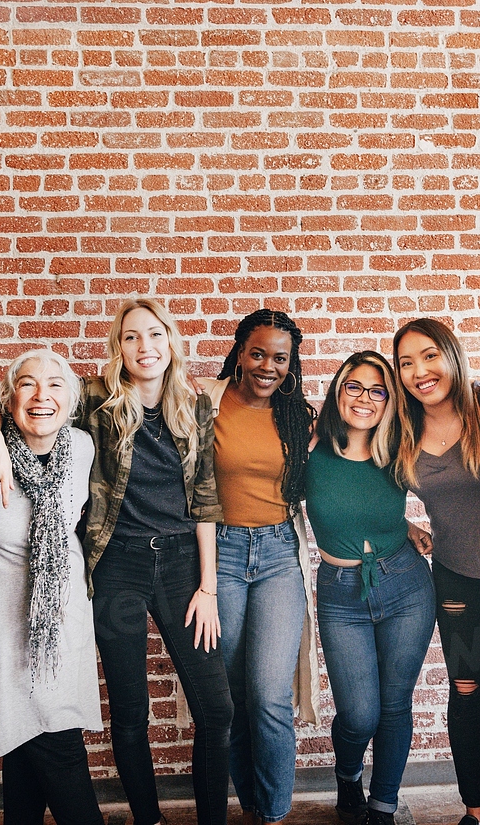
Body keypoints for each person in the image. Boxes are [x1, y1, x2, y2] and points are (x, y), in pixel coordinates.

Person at [0, 296, 234, 825]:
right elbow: (19, 403)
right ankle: (150, 818)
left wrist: (207, 587)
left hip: (184, 563)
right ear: (118, 346)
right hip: (118, 564)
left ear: (171, 342)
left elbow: (206, 495)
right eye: (132, 336)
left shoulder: (197, 404)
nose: (145, 346)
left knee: (217, 708)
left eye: (156, 334)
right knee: (130, 712)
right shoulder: (93, 398)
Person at [0, 349, 104, 825]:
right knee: (48, 746)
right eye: (27, 384)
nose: (42, 396)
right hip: (0, 626)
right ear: (7, 396)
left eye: (56, 384)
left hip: (63, 624)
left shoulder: (80, 447)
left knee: (35, 745)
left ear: (72, 398)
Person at [194, 309, 317, 825]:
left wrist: (402, 524)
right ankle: (248, 803)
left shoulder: (300, 417)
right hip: (218, 556)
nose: (269, 366)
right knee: (233, 697)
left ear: (291, 363)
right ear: (239, 352)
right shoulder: (202, 399)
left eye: (280, 358)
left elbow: (356, 463)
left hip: (277, 557)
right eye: (259, 353)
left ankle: (273, 814)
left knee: (269, 695)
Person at [305, 350, 436, 825]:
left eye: (377, 390)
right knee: (359, 715)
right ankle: (347, 776)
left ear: (389, 400)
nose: (364, 398)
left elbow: (453, 488)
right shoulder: (310, 447)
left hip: (405, 586)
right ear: (339, 391)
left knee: (396, 704)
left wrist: (407, 528)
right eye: (354, 386)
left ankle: (383, 805)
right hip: (341, 594)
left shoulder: (400, 448)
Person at [394, 319, 480, 825]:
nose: (420, 372)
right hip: (455, 578)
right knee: (467, 693)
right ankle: (474, 807)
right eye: (406, 362)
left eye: (429, 356)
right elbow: (366, 488)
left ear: (451, 354)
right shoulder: (401, 431)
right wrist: (405, 525)